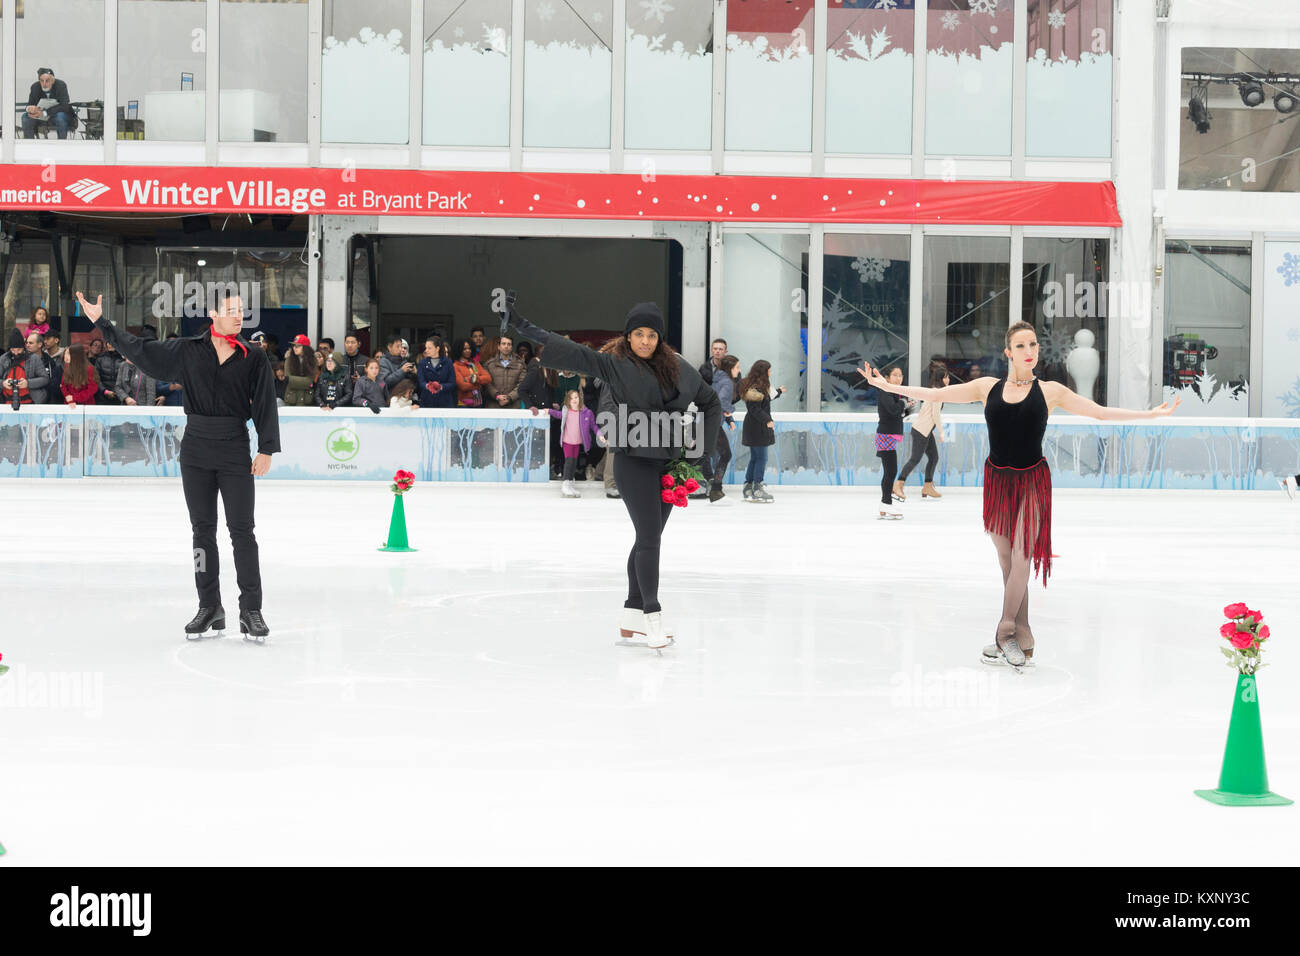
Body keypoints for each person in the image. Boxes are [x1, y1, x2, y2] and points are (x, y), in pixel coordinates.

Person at [859, 321, 1180, 669]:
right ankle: (1023, 636)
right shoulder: (986, 387)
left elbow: (1100, 413)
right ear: (1009, 352)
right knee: (1007, 562)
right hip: (997, 482)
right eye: (1022, 346)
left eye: (1034, 345)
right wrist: (885, 386)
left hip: (1032, 482)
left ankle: (1005, 629)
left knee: (1023, 555)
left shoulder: (1051, 391)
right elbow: (935, 395)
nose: (1030, 351)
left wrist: (1149, 414)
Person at [508, 300, 720, 650]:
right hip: (633, 461)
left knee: (645, 539)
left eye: (652, 335)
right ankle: (652, 616)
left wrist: (703, 452)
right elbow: (569, 349)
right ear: (628, 335)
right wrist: (521, 324)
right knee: (650, 539)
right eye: (639, 334)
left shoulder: (679, 368)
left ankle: (630, 616)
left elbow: (710, 402)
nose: (646, 341)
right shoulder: (614, 364)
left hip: (670, 465)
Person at [77, 290, 279, 643]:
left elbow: (264, 403)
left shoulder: (254, 357)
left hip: (234, 449)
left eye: (242, 312)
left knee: (242, 531)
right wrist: (102, 323)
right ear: (214, 314)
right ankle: (209, 606)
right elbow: (138, 350)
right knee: (202, 531)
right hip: (196, 450)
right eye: (232, 311)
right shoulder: (187, 350)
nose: (239, 317)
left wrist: (266, 448)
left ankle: (251, 609)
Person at [896, 362, 949, 501]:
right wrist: (942, 432)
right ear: (939, 379)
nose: (947, 380)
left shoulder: (936, 391)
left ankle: (928, 486)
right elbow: (936, 414)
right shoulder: (937, 393)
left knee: (933, 457)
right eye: (945, 377)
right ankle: (899, 483)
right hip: (921, 430)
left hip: (925, 431)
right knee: (915, 459)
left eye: (948, 377)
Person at [737, 360, 785, 503]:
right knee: (761, 458)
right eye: (769, 371)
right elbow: (754, 409)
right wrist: (767, 420)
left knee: (755, 458)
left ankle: (748, 487)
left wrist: (780, 391)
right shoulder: (755, 388)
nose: (770, 373)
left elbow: (766, 399)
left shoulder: (759, 386)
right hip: (757, 427)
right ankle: (757, 488)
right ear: (763, 372)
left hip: (755, 426)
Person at [539, 389, 598, 498]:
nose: (574, 400)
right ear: (568, 401)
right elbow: (558, 414)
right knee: (569, 462)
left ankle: (570, 483)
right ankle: (566, 484)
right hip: (567, 441)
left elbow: (593, 425)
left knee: (574, 463)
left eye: (576, 397)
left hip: (577, 442)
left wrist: (600, 434)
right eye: (571, 398)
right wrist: (549, 411)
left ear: (580, 399)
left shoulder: (586, 412)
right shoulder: (567, 412)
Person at [871, 365, 909, 518]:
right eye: (895, 375)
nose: (898, 378)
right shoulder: (886, 391)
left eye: (900, 375)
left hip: (888, 435)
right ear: (887, 378)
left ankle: (885, 504)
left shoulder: (894, 392)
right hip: (886, 435)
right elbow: (894, 410)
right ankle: (886, 503)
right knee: (891, 471)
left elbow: (897, 413)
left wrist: (906, 406)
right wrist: (904, 404)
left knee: (890, 471)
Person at [709, 355, 740, 502]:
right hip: (712, 422)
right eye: (737, 368)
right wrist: (730, 409)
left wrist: (728, 419)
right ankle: (716, 489)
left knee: (703, 455)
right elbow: (721, 401)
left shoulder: (718, 378)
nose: (739, 371)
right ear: (730, 368)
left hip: (707, 420)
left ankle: (713, 487)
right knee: (726, 454)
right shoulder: (727, 382)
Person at [23, 68, 77, 140]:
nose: (44, 84)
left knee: (60, 116)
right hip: (40, 117)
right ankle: (29, 144)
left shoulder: (61, 85)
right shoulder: (35, 87)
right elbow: (30, 103)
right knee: (25, 117)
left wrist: (44, 113)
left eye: (47, 81)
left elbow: (65, 106)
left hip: (56, 115)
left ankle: (62, 144)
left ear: (52, 80)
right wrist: (29, 109)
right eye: (41, 81)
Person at [1, 328, 47, 406]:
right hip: (6, 402)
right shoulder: (3, 359)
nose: (16, 353)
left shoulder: (34, 358)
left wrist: (28, 383)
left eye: (19, 349)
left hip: (31, 402)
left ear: (24, 347)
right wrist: (3, 383)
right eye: (13, 350)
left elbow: (45, 379)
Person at [481, 333, 526, 408]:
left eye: (509, 344)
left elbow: (522, 384)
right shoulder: (489, 364)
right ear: (499, 346)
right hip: (494, 405)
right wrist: (497, 395)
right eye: (503, 344)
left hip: (513, 406)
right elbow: (487, 384)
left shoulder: (520, 365)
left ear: (511, 347)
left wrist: (509, 397)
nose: (506, 346)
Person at [417, 336, 456, 409]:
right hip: (427, 401)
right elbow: (421, 382)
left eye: (429, 348)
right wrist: (428, 386)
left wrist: (440, 387)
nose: (426, 350)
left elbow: (452, 383)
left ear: (437, 348)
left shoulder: (448, 362)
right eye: (426, 348)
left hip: (444, 401)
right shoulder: (422, 363)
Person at [452, 339, 490, 407]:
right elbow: (463, 386)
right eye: (464, 349)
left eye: (469, 348)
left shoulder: (475, 363)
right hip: (463, 405)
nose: (468, 350)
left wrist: (475, 379)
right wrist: (478, 386)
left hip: (478, 403)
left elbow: (488, 378)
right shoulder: (455, 366)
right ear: (459, 350)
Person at [283, 334, 318, 406]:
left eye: (298, 346)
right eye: (294, 345)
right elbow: (287, 379)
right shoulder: (289, 360)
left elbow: (310, 381)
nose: (295, 348)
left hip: (307, 399)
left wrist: (292, 380)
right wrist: (305, 381)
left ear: (305, 348)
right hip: (291, 399)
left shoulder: (313, 361)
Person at [94, 340, 124, 405]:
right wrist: (105, 391)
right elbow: (96, 378)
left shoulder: (123, 359)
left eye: (113, 343)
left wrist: (119, 392)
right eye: (108, 343)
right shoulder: (100, 359)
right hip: (102, 396)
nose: (110, 345)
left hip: (120, 396)